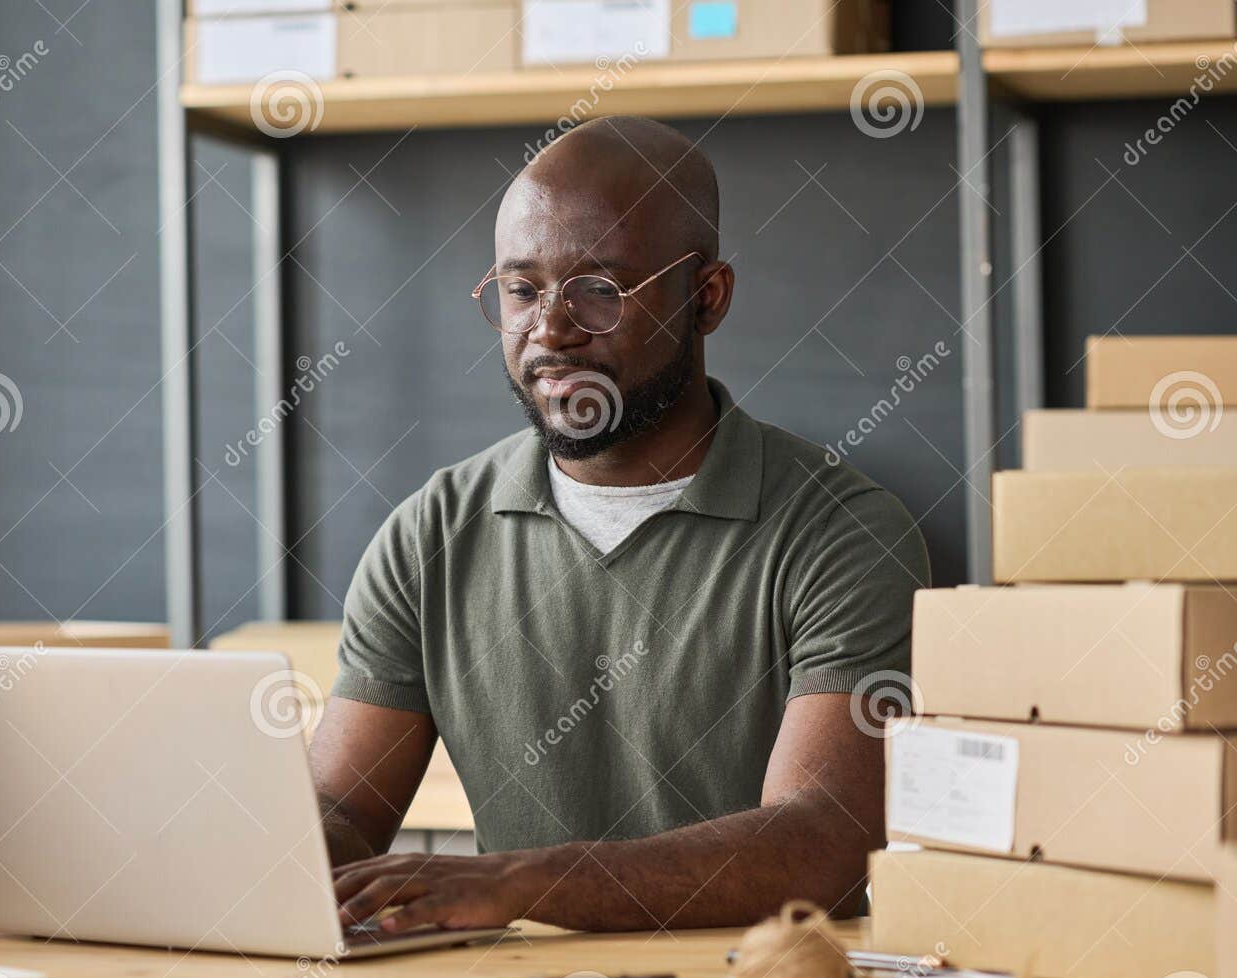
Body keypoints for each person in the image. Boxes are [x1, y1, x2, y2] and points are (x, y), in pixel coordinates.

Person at [310, 115, 930, 934]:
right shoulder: (430, 534)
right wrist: (279, 855)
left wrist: (517, 884)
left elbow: (824, 841)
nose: (550, 330)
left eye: (600, 289)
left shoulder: (844, 534)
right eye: (521, 290)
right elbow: (345, 808)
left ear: (706, 297)